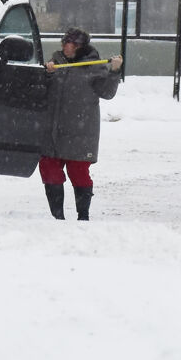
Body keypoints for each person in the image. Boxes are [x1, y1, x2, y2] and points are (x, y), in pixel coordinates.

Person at [41, 27, 121, 220]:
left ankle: (83, 216)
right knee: (49, 169)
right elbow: (41, 91)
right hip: (53, 131)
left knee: (79, 172)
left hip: (81, 132)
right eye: (64, 42)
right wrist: (47, 74)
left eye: (69, 43)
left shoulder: (94, 67)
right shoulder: (56, 62)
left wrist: (114, 71)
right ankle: (57, 217)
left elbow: (108, 93)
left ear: (79, 47)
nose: (64, 46)